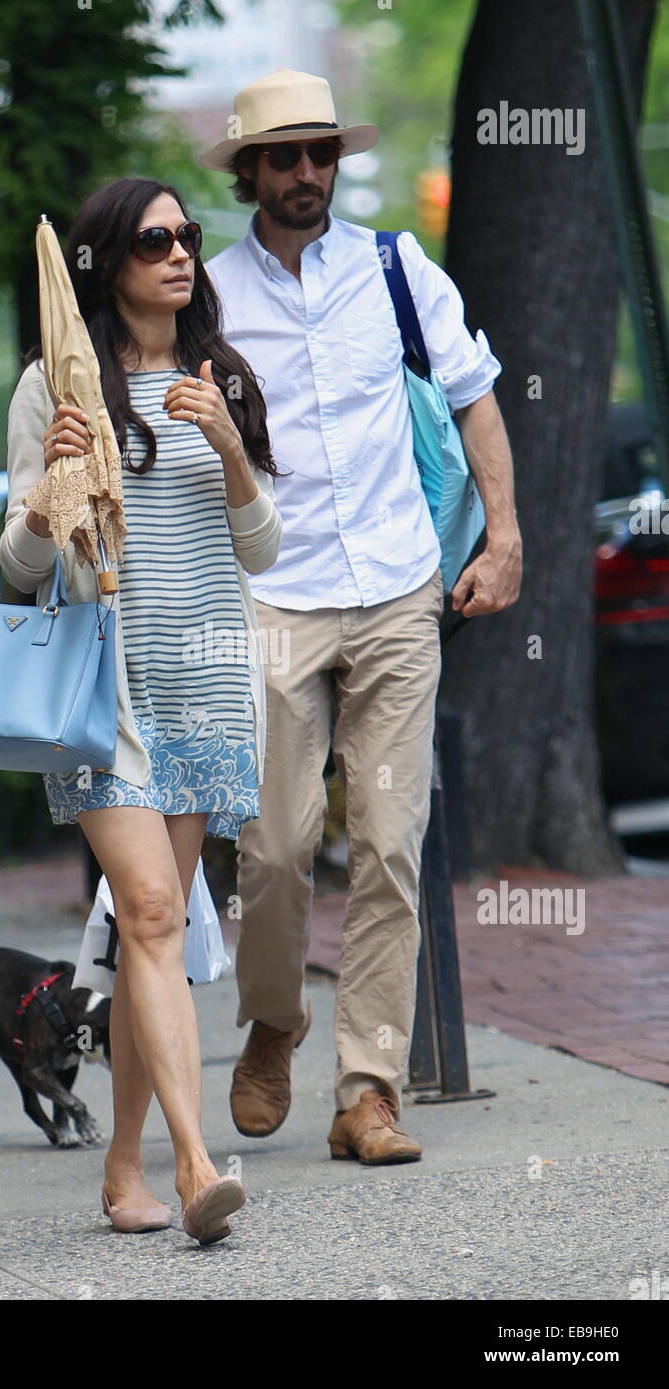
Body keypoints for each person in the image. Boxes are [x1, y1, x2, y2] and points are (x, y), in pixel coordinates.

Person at [202, 69, 522, 1162]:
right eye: (284, 156)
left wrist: (504, 536)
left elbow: (474, 388)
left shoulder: (394, 268)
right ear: (248, 170)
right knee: (276, 847)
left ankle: (366, 1092)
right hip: (274, 599)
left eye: (321, 154)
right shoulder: (208, 294)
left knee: (388, 845)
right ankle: (276, 1018)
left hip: (394, 590)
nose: (305, 174)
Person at [0, 177, 282, 1243]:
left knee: (145, 935)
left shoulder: (224, 380)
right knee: (153, 913)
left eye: (187, 237)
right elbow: (19, 569)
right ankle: (197, 1161)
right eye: (153, 238)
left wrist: (227, 448)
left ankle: (122, 1169)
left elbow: (266, 549)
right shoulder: (51, 387)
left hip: (204, 679)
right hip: (102, 692)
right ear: (107, 260)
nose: (178, 254)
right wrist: (48, 487)